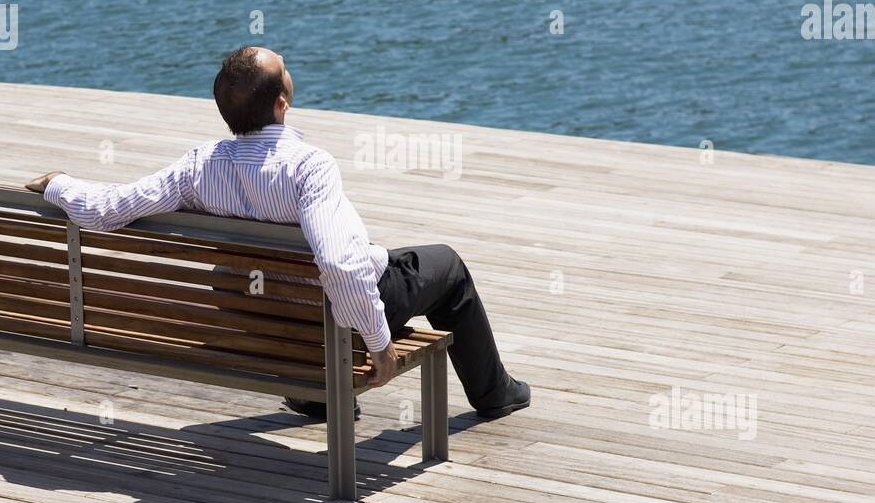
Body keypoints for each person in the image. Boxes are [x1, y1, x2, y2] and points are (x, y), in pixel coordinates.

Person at [26, 46, 530, 421]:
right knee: (445, 264)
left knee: (299, 279)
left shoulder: (200, 167)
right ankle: (493, 393)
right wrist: (378, 345)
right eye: (287, 71)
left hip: (262, 310)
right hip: (330, 309)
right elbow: (338, 264)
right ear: (282, 104)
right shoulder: (308, 167)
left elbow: (110, 209)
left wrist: (59, 185)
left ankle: (314, 392)